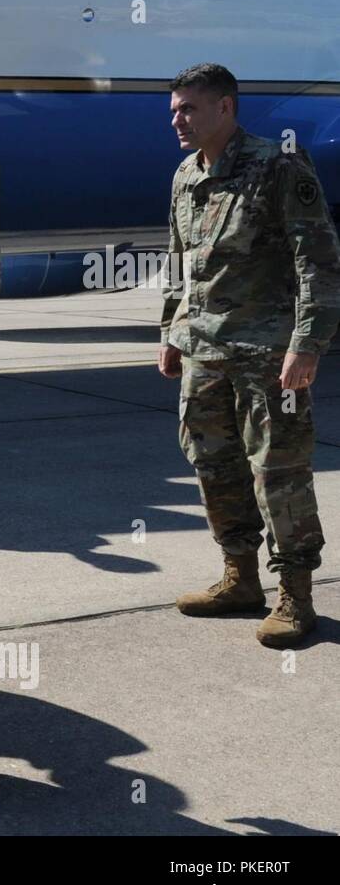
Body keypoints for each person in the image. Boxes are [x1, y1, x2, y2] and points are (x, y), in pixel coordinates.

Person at [159, 63, 340, 647]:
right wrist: (171, 331)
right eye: (174, 110)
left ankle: (296, 595)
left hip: (267, 354)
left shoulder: (278, 168)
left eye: (189, 109)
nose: (178, 120)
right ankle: (239, 577)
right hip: (203, 351)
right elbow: (178, 264)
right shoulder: (187, 175)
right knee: (213, 465)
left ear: (226, 108)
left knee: (278, 471)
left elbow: (317, 260)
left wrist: (307, 343)